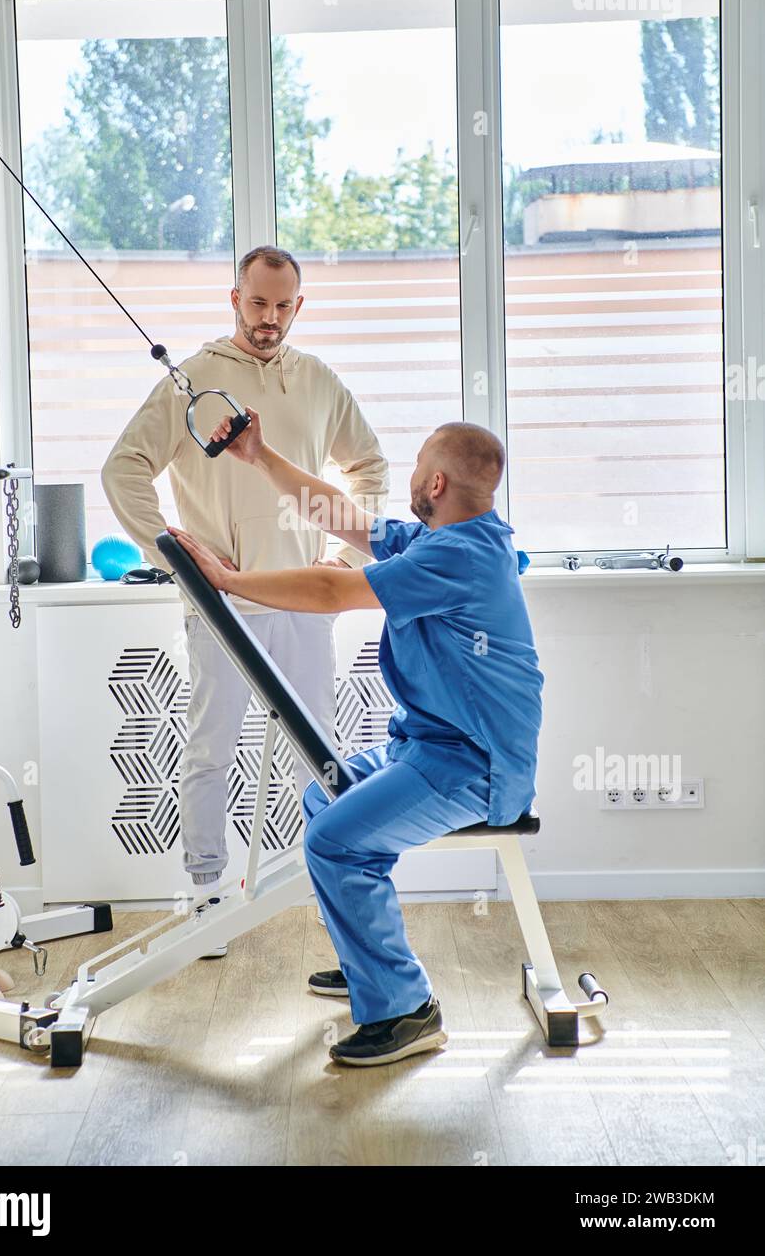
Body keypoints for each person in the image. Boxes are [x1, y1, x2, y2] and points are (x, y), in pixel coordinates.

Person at [168, 406, 544, 1067]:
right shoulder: (443, 540)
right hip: (430, 747)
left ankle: (405, 1008)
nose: (412, 473)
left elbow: (331, 587)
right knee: (326, 796)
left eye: (420, 464)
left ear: (435, 485)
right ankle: (371, 964)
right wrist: (258, 456)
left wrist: (228, 582)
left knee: (334, 839)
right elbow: (341, 518)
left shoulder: (462, 558)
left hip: (475, 767)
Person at [102, 247, 389, 945]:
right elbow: (123, 469)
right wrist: (173, 556)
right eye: (258, 304)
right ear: (235, 299)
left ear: (300, 306)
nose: (270, 319)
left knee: (320, 752)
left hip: (300, 601)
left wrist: (345, 554)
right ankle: (206, 898)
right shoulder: (194, 379)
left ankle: (334, 904)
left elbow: (369, 465)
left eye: (284, 306)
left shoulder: (317, 380)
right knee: (210, 749)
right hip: (221, 606)